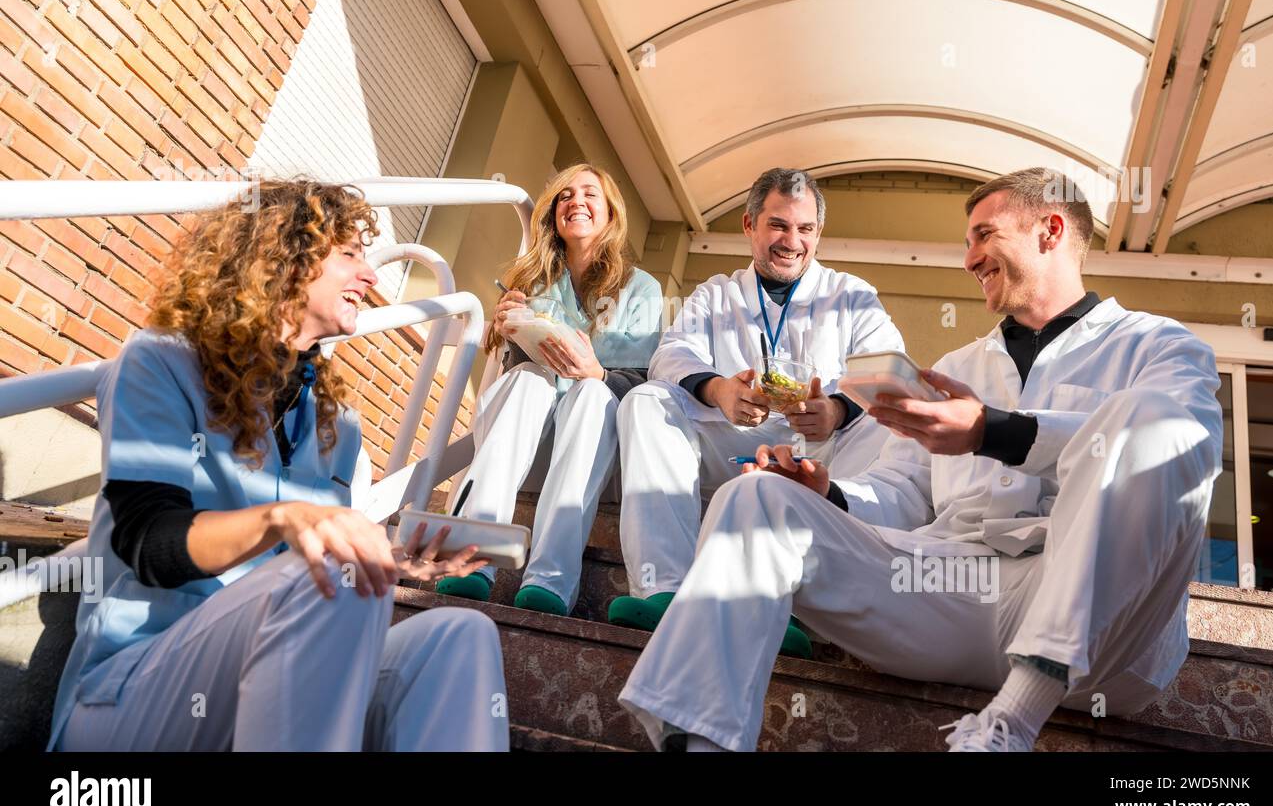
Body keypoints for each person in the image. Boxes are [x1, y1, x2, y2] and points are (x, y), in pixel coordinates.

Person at [616, 167, 1223, 752]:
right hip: (946, 587)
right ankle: (700, 742)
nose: (969, 259)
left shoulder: (1159, 346)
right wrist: (827, 493)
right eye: (967, 243)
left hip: (1104, 631)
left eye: (984, 235)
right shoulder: (956, 369)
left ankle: (1013, 718)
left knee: (1155, 419)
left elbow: (1177, 448)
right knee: (756, 496)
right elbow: (901, 492)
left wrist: (991, 430)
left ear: (1051, 231)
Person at [47, 180, 510, 751]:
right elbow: (148, 542)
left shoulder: (337, 424)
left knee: (460, 636)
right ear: (284, 257)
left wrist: (393, 562)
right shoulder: (163, 361)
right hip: (135, 692)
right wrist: (283, 520)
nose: (370, 276)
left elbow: (302, 579)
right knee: (330, 572)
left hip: (271, 681)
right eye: (349, 254)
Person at [610, 167, 906, 657]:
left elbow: (889, 368)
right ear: (749, 225)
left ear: (818, 233)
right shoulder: (716, 293)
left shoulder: (851, 294)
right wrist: (719, 390)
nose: (792, 241)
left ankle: (798, 607)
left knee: (884, 421)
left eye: (805, 228)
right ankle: (664, 589)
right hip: (731, 439)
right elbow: (671, 354)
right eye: (778, 225)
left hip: (818, 450)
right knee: (647, 399)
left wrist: (836, 410)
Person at [435, 163, 662, 616]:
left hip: (592, 446)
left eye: (589, 194)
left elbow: (643, 383)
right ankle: (471, 558)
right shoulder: (531, 280)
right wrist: (509, 329)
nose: (575, 201)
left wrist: (598, 373)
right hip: (526, 439)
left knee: (592, 394)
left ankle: (550, 580)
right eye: (565, 195)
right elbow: (519, 366)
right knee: (527, 381)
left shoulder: (643, 289)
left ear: (611, 212)